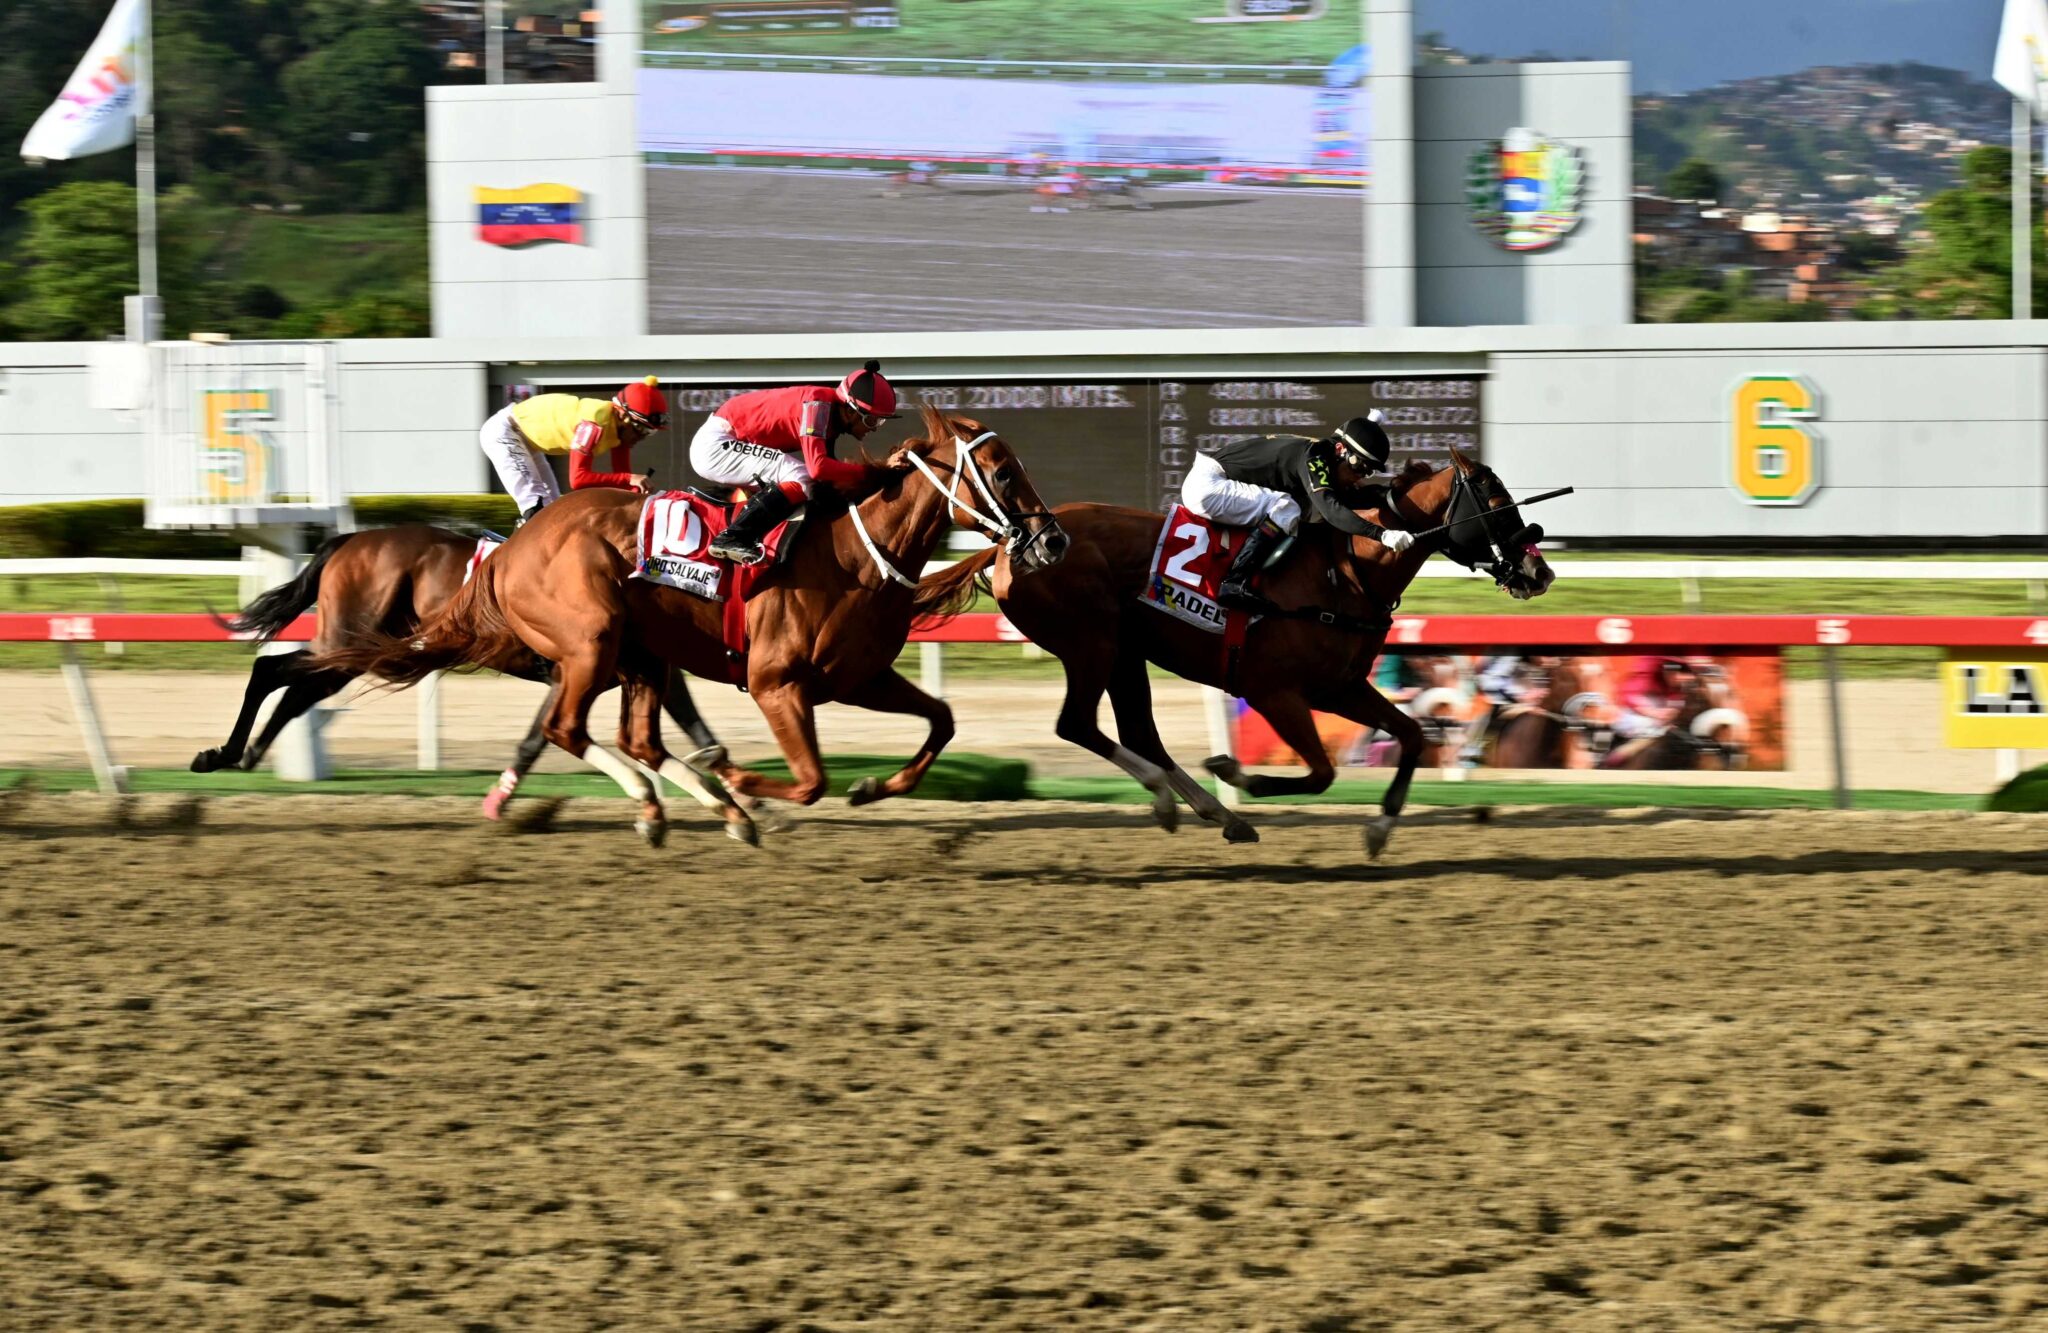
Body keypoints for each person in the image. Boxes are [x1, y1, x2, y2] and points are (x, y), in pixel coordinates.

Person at [1180, 410, 1414, 609]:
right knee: (1286, 507)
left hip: (1216, 483)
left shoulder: (1323, 455)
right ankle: (1233, 583)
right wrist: (1381, 534)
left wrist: (1392, 496)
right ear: (1341, 449)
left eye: (1368, 471)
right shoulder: (1314, 457)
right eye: (1359, 466)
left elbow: (1349, 499)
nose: (1360, 475)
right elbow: (1333, 511)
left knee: (1291, 508)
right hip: (1209, 486)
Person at [697, 360, 899, 565]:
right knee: (802, 477)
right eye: (872, 420)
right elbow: (818, 468)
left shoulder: (830, 411)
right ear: (850, 410)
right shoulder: (817, 406)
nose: (874, 428)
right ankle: (732, 537)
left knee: (811, 486)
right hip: (716, 445)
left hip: (728, 440)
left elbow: (829, 479)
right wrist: (879, 471)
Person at [480, 377, 664, 525]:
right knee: (536, 508)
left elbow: (622, 481)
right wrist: (630, 479)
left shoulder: (621, 431)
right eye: (640, 430)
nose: (641, 437)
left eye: (649, 432)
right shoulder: (592, 425)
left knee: (553, 512)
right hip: (506, 432)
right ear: (623, 415)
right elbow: (578, 479)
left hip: (527, 440)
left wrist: (638, 495)